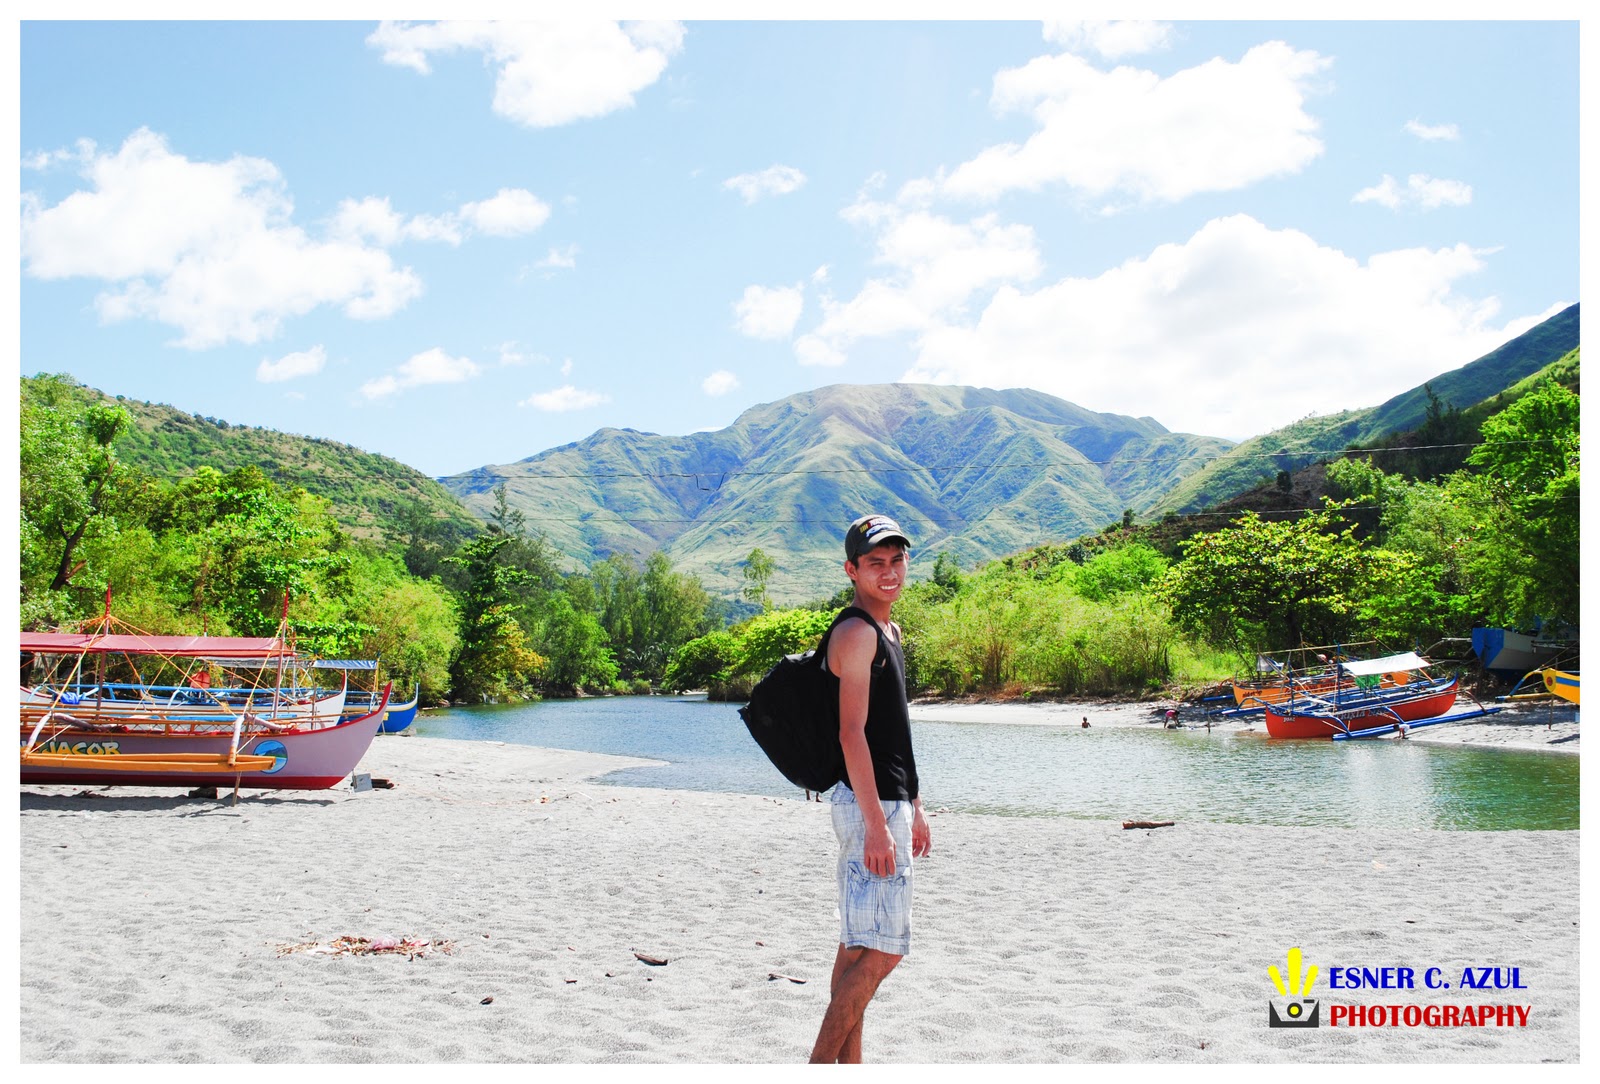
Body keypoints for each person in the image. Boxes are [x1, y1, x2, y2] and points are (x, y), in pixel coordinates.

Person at [809, 513, 931, 1064]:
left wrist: (917, 805)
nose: (889, 572)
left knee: (860, 943)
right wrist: (879, 828)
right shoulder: (857, 633)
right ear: (852, 570)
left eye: (896, 560)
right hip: (868, 806)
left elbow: (894, 733)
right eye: (875, 563)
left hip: (889, 800)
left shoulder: (889, 631)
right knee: (885, 949)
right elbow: (850, 733)